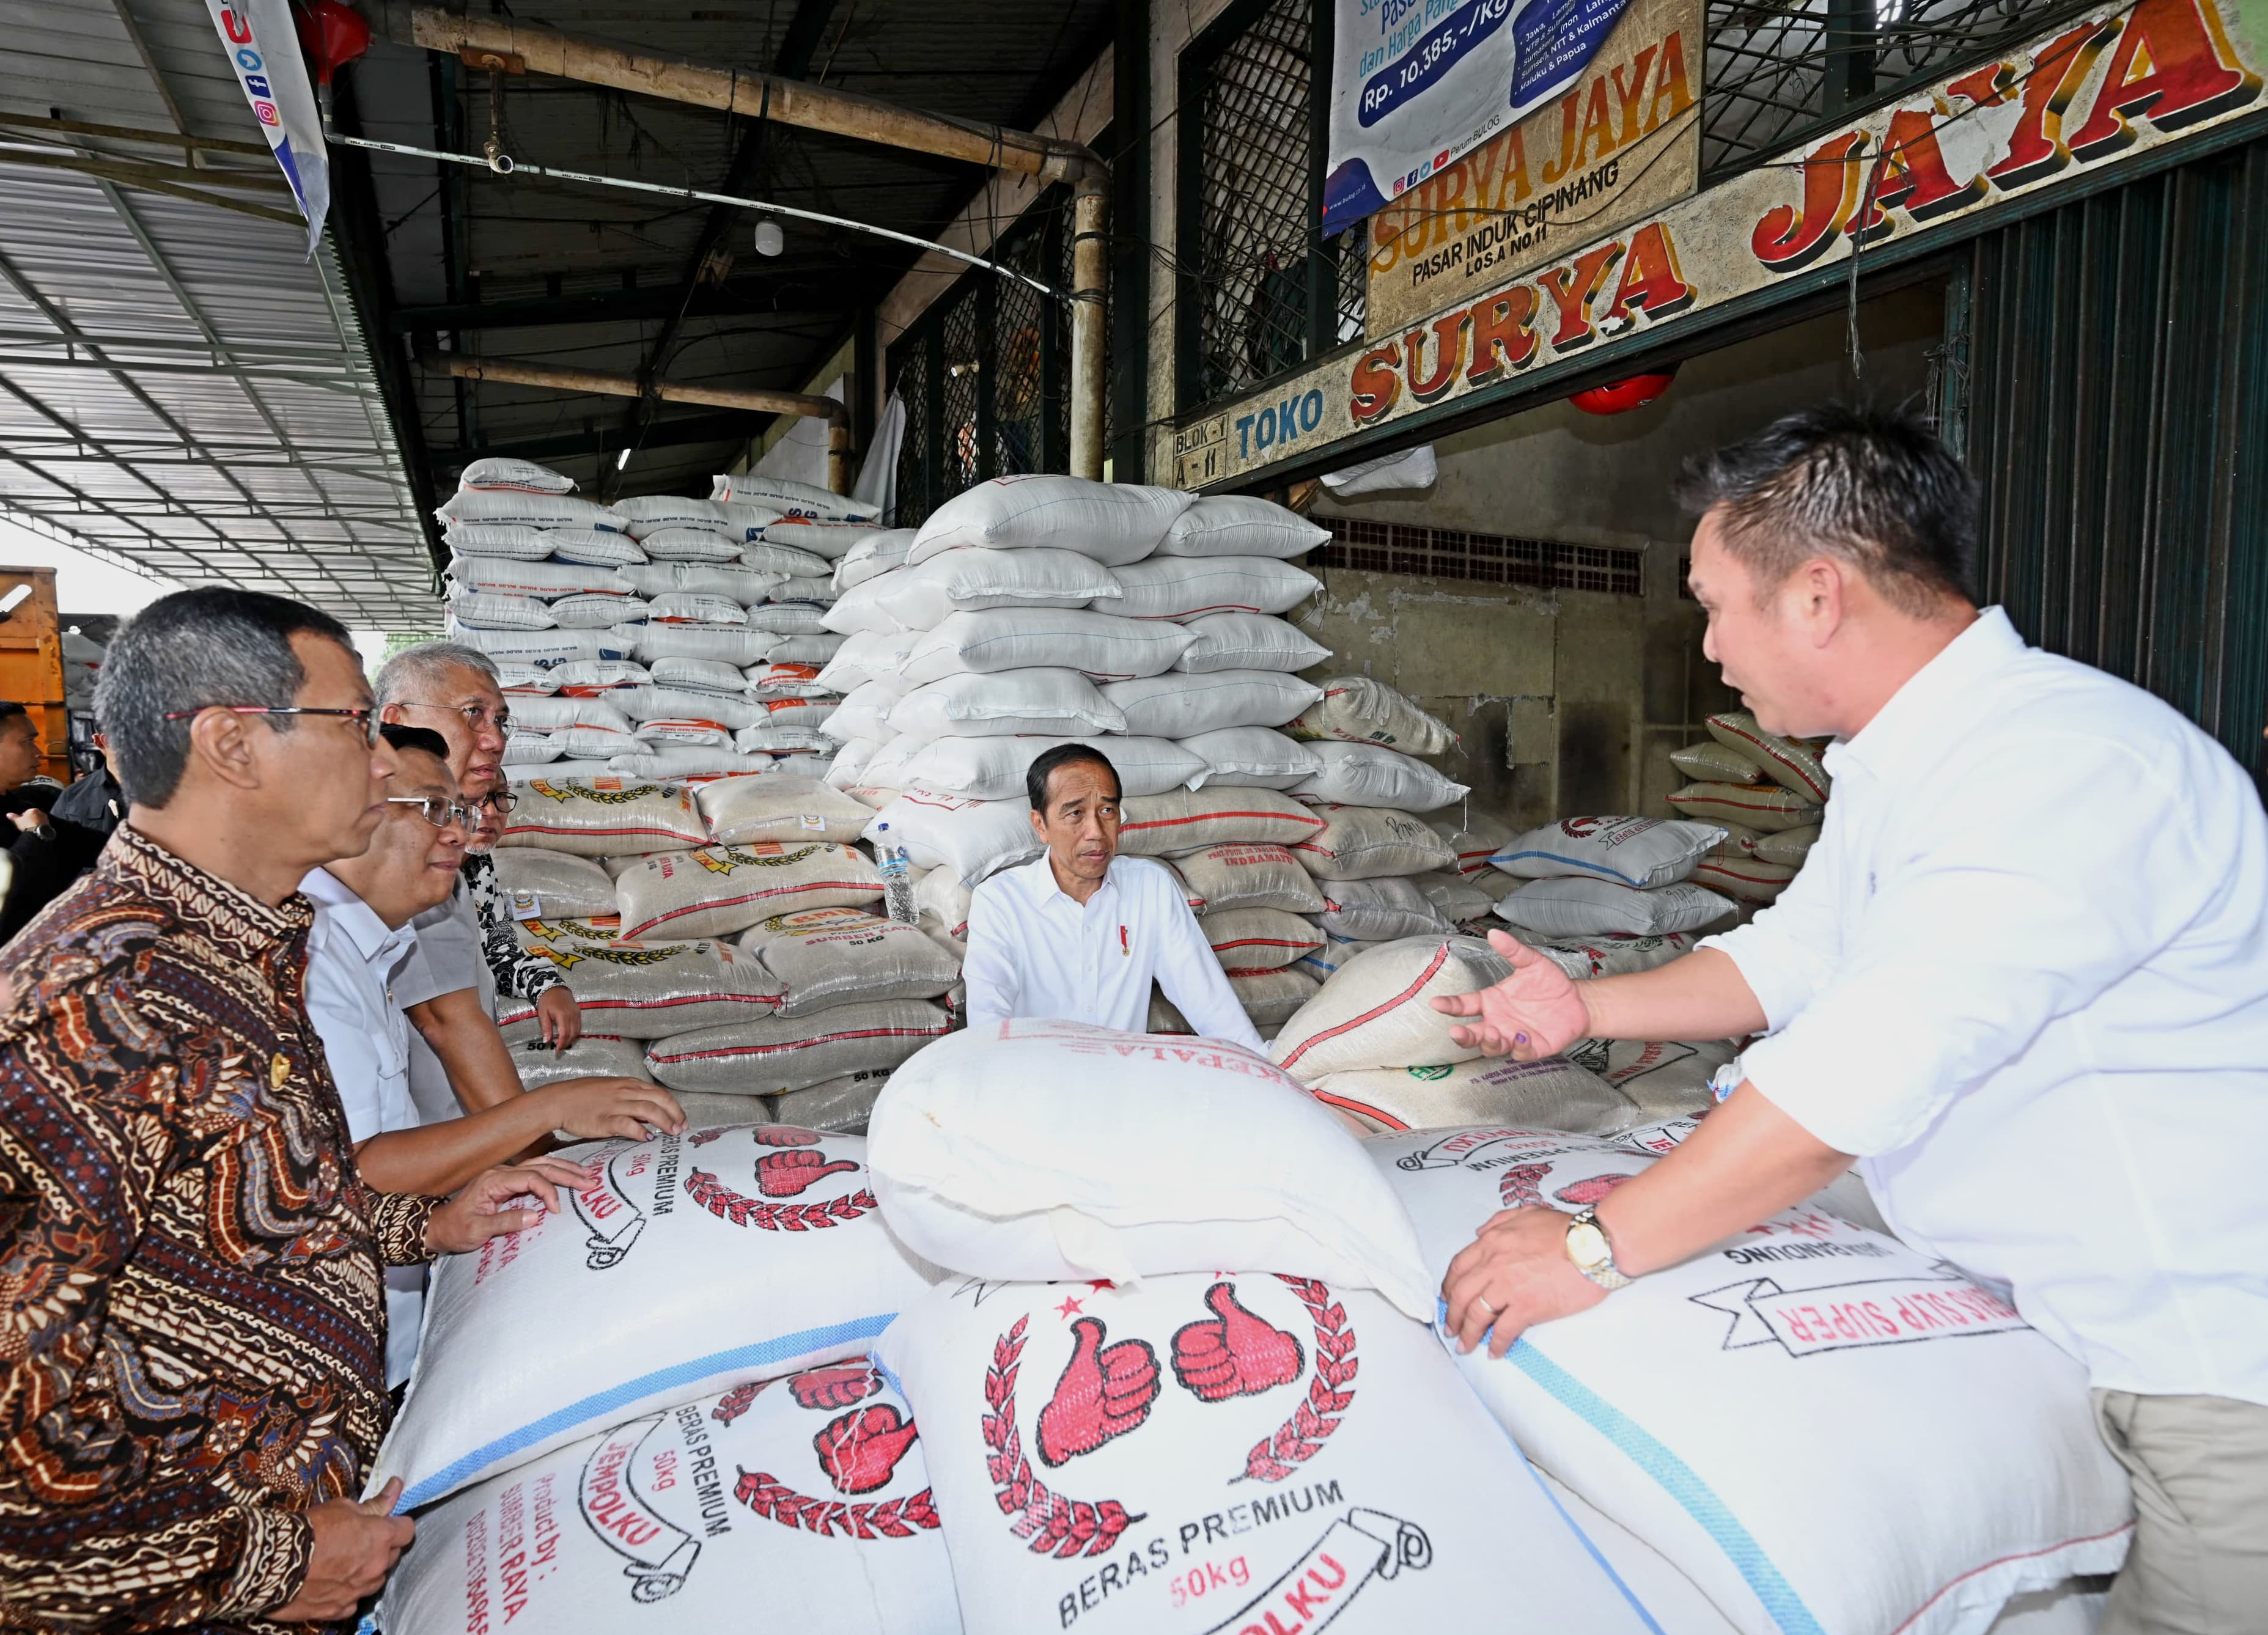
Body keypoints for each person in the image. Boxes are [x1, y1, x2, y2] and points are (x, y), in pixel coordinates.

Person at [1429, 405, 2268, 1635]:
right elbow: (1801, 958)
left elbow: (1855, 1074)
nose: (1709, 643)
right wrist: (1586, 1008)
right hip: (2040, 1301)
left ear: (1815, 595)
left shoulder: (2062, 765)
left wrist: (1590, 1250)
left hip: (2202, 1356)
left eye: (1714, 602)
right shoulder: (1904, 762)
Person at [0, 587, 580, 1630]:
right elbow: (18, 1412)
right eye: (354, 722)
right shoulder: (98, 1003)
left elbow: (248, 1198)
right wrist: (257, 1561)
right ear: (233, 745)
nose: (380, 757)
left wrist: (422, 1224)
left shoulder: (246, 951)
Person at [301, 724, 685, 1391]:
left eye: (460, 811)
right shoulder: (315, 964)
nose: (457, 831)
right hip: (332, 1348)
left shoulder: (372, 949)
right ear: (349, 810)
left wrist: (453, 1216)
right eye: (432, 810)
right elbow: (350, 1173)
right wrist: (551, 1113)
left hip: (378, 1322)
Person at [371, 642, 617, 1123]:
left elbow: (481, 974)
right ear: (398, 719)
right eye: (473, 715)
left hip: (445, 1138)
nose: (494, 739)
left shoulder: (459, 859)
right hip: (412, 1149)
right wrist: (535, 1148)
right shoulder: (402, 851)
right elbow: (450, 1022)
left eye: (500, 721)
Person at [962, 743, 1262, 1049]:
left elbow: (1207, 998)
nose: (1096, 831)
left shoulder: (1149, 887)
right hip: (1038, 1086)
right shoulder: (1001, 901)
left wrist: (1266, 1069)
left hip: (1123, 1087)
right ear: (1041, 825)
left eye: (1107, 810)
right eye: (1075, 813)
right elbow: (989, 1027)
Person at [0, 699, 103, 941]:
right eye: (27, 742)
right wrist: (35, 836)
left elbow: (98, 846)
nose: (39, 752)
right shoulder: (33, 823)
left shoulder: (26, 809)